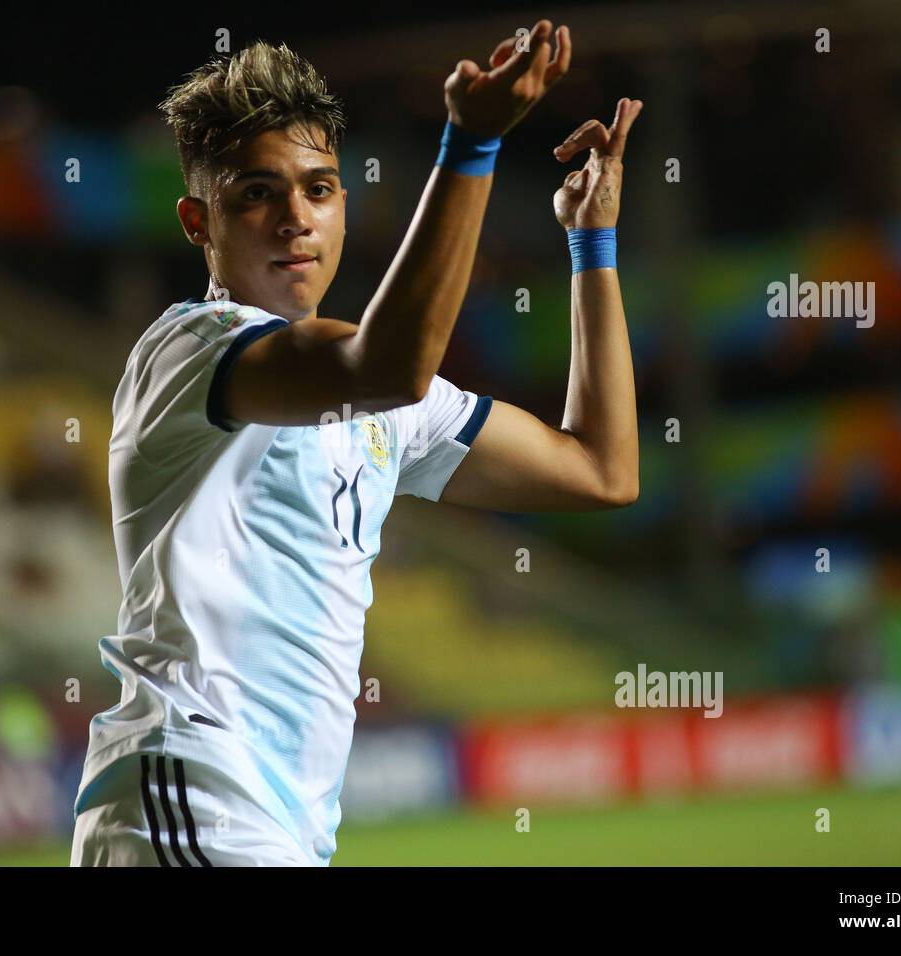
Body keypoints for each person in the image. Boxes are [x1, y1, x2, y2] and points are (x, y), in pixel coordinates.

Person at [72, 19, 642, 866]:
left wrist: (590, 243)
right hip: (188, 799)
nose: (295, 218)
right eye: (256, 193)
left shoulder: (377, 405)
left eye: (319, 188)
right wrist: (471, 146)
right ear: (199, 220)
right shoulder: (193, 352)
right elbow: (393, 363)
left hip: (272, 825)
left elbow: (601, 470)